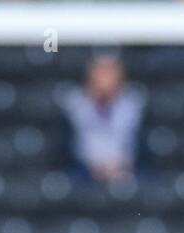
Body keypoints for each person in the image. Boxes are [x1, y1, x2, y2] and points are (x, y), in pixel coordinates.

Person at [62, 54, 145, 185]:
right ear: (90, 76)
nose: (105, 79)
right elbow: (70, 147)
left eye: (110, 72)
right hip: (83, 171)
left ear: (120, 77)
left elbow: (136, 145)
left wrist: (120, 165)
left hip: (126, 170)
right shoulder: (74, 103)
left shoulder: (133, 103)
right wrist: (96, 166)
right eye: (101, 73)